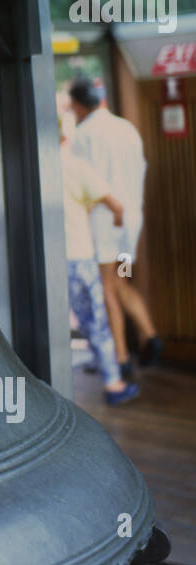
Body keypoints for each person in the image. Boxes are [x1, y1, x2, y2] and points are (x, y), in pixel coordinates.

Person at [69, 78, 161, 376]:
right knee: (121, 280)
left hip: (104, 222)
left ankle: (120, 358)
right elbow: (141, 170)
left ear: (79, 105)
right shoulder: (126, 128)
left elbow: (86, 183)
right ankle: (148, 334)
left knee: (107, 286)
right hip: (129, 223)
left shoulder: (84, 135)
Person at [59, 118, 138, 405]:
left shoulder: (81, 157)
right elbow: (117, 206)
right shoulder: (126, 139)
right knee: (116, 288)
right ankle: (127, 354)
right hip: (114, 241)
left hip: (110, 244)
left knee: (115, 287)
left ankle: (126, 353)